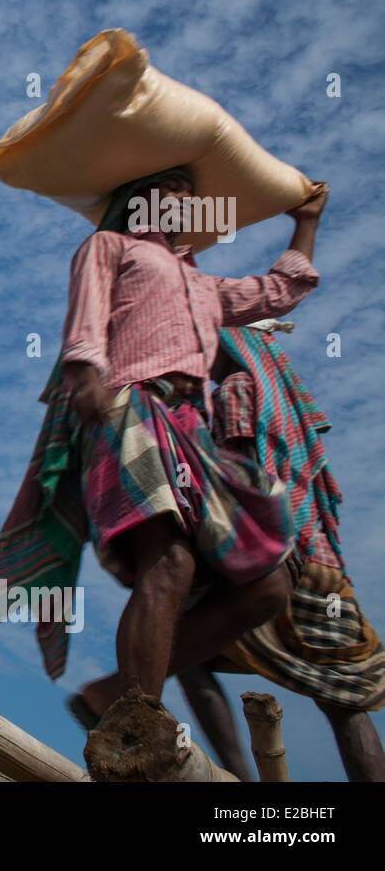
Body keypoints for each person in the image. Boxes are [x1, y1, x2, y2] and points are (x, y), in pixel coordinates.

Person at [0, 169, 325, 726]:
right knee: (167, 560)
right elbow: (85, 323)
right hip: (131, 405)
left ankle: (113, 692)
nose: (184, 199)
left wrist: (306, 222)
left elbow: (277, 293)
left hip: (195, 430)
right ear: (136, 199)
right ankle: (137, 720)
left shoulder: (203, 285)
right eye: (170, 187)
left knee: (268, 585)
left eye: (190, 193)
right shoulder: (110, 246)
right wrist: (86, 378)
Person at [177, 322, 385, 782]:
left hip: (277, 559)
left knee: (182, 648)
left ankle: (236, 778)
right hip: (324, 566)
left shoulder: (234, 389)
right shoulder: (283, 407)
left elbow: (244, 474)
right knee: (343, 702)